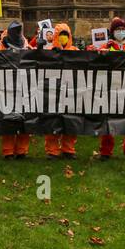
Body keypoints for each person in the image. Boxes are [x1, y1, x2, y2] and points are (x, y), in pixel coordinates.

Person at [97, 17, 125, 161]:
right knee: (109, 120)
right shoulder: (106, 46)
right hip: (111, 87)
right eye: (117, 29)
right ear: (112, 32)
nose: (120, 32)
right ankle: (106, 151)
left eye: (123, 30)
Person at [0, 21, 32, 159]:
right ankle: (8, 151)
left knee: (25, 119)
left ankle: (22, 150)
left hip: (24, 88)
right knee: (8, 120)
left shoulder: (26, 45)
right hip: (7, 88)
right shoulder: (1, 47)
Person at [44, 23, 79, 160]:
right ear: (56, 36)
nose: (63, 37)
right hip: (53, 91)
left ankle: (68, 149)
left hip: (70, 91)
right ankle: (52, 150)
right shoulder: (49, 51)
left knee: (70, 121)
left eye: (66, 35)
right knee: (52, 120)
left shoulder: (75, 50)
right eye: (61, 35)